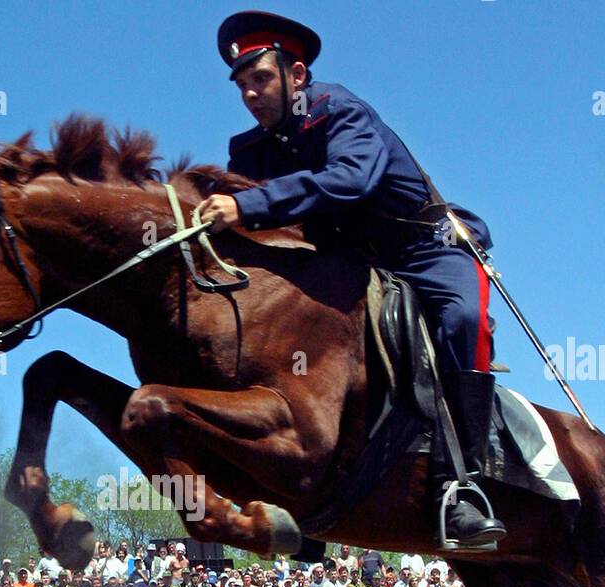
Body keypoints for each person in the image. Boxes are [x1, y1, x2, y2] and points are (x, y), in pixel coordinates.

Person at [201, 11, 504, 548]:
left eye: (261, 78)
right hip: (343, 259)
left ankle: (464, 486)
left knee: (465, 317)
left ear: (296, 76)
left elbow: (351, 180)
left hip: (419, 248)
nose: (250, 93)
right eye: (242, 84)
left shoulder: (337, 110)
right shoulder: (248, 151)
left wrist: (246, 204)